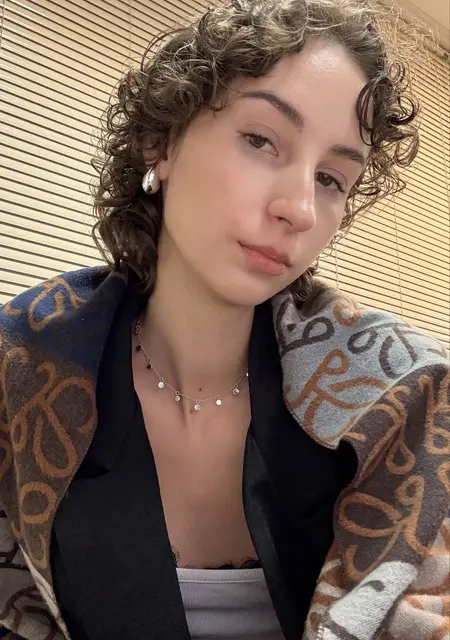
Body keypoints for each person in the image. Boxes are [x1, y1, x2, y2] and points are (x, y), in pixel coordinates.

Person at [0, 0, 448, 638]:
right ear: (162, 143)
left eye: (330, 178)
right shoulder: (25, 361)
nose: (299, 207)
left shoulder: (404, 393)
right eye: (261, 140)